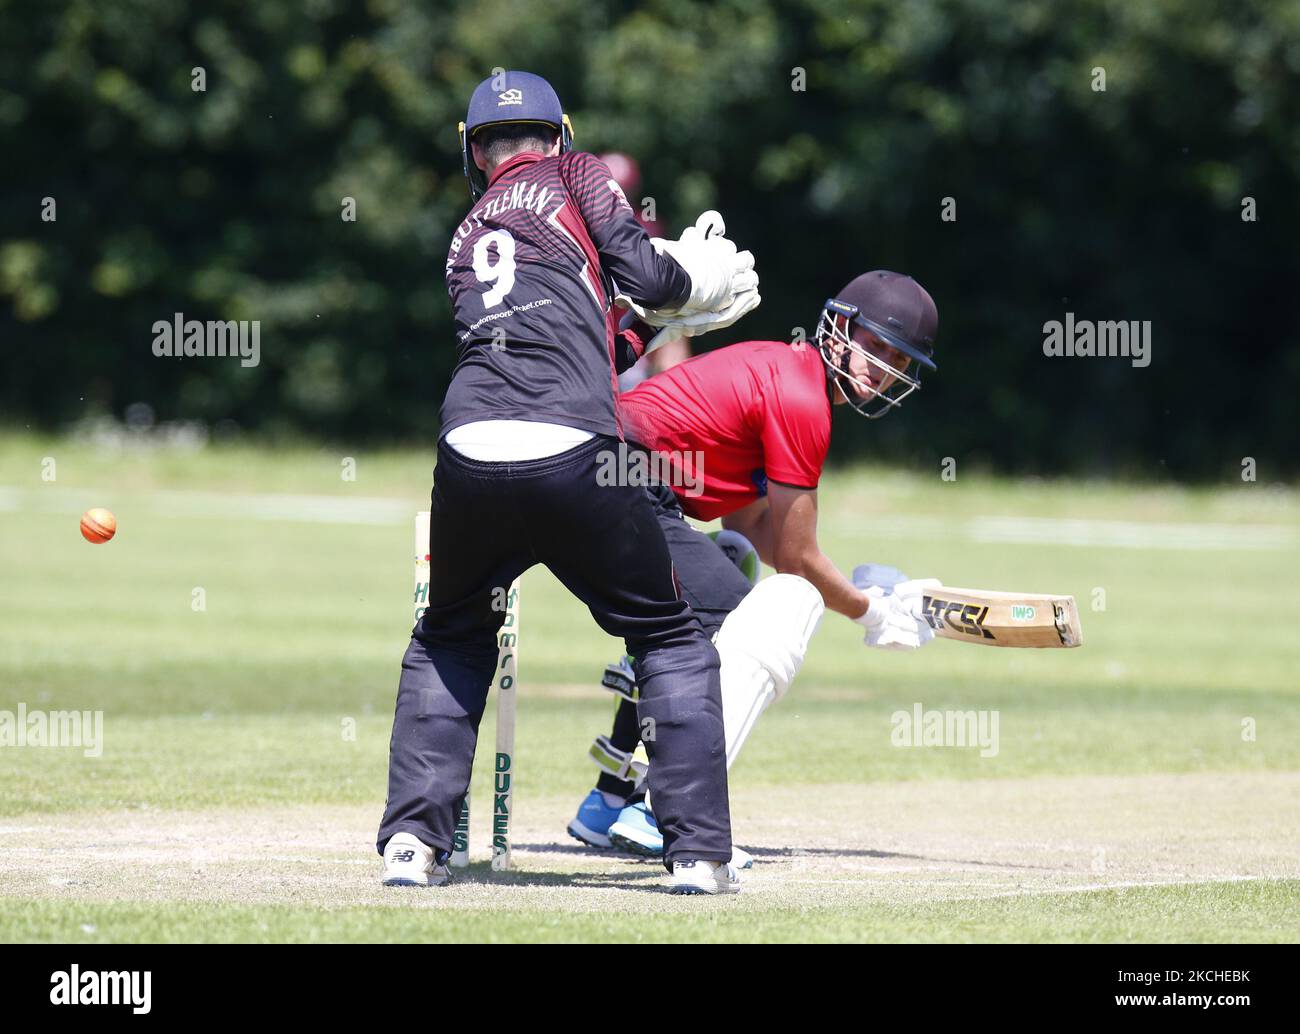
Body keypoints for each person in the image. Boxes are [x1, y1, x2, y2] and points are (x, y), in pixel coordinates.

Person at [377, 70, 759, 895]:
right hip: (574, 449)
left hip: (468, 447)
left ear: (474, 150)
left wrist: (646, 327)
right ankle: (695, 856)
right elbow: (647, 279)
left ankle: (412, 845)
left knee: (449, 635)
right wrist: (697, 288)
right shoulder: (578, 174)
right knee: (669, 635)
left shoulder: (467, 228)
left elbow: (580, 337)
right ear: (560, 135)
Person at [566, 270, 941, 859]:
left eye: (898, 357)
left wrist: (862, 588)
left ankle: (611, 801)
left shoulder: (790, 377)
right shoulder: (802, 397)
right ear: (839, 328)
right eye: (875, 345)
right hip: (615, 474)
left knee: (731, 566)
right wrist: (873, 614)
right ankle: (663, 814)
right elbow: (796, 560)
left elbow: (755, 532)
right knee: (752, 619)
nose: (884, 367)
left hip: (604, 472)